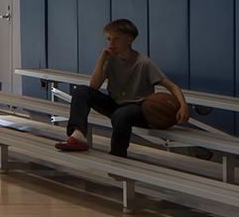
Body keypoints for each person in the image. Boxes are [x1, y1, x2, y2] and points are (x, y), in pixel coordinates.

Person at [57, 18, 186, 156]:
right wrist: (101, 60)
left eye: (116, 39)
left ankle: (117, 155)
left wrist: (183, 106)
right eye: (108, 39)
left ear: (129, 40)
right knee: (82, 91)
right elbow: (93, 86)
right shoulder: (111, 60)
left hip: (139, 109)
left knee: (121, 115)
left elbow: (172, 87)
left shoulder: (144, 63)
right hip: (117, 106)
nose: (111, 44)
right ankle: (78, 135)